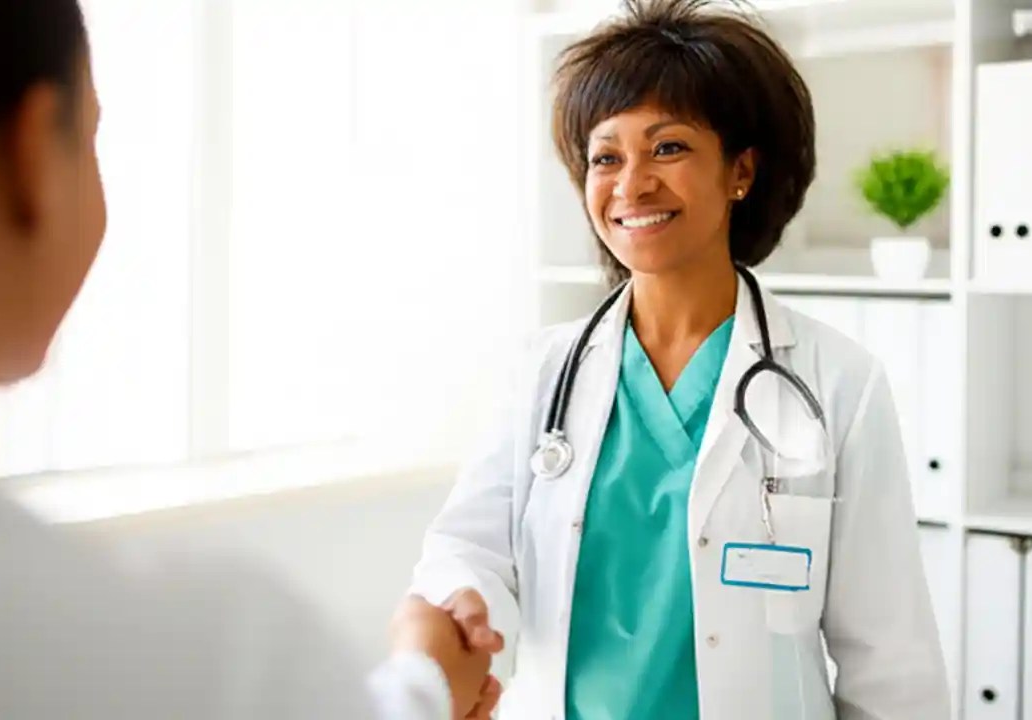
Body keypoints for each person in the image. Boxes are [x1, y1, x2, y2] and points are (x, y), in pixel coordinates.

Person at [0, 1, 500, 718]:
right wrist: (424, 678)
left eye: (667, 149)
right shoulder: (217, 650)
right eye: (91, 135)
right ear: (31, 157)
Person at [404, 0, 951, 717]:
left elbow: (891, 664)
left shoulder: (838, 382)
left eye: (667, 148)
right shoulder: (543, 374)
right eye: (606, 156)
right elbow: (464, 551)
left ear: (741, 172)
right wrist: (457, 607)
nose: (631, 184)